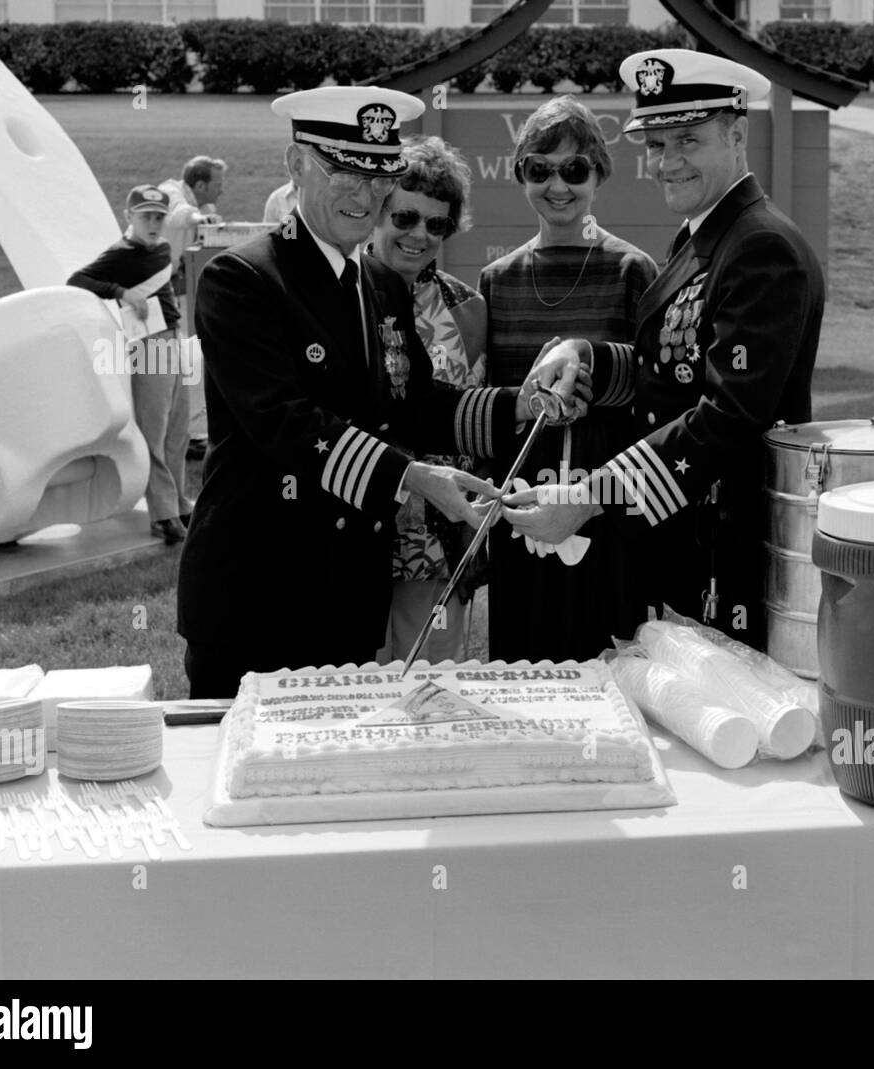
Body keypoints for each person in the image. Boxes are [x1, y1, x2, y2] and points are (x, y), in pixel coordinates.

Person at [176, 87, 534, 698]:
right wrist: (414, 477)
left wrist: (520, 404)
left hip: (348, 595)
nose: (364, 193)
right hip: (259, 595)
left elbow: (416, 404)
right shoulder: (241, 279)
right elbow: (288, 424)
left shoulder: (380, 284)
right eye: (343, 170)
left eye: (378, 175)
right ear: (295, 167)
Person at [504, 49, 824, 651]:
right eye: (655, 144)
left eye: (687, 141)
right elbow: (674, 371)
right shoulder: (708, 233)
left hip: (727, 555)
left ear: (736, 134)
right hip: (686, 538)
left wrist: (586, 497)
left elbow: (728, 416)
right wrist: (586, 354)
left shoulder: (761, 248)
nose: (666, 161)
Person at [480, 95, 659, 662]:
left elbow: (656, 388)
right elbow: (490, 400)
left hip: (603, 505)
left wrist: (595, 380)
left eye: (575, 170)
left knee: (608, 669)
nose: (558, 186)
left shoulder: (633, 270)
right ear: (521, 175)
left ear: (599, 174)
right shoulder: (497, 279)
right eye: (540, 169)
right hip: (522, 504)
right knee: (522, 670)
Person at [366, 135, 488, 663]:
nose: (419, 235)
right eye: (405, 217)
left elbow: (474, 421)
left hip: (434, 548)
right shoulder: (339, 296)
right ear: (378, 213)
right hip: (351, 542)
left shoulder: (469, 309)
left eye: (436, 224)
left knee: (431, 700)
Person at [67, 184, 191, 545]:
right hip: (150, 343)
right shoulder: (120, 254)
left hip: (173, 336)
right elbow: (77, 280)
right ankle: (164, 514)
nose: (153, 224)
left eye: (158, 217)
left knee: (178, 430)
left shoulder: (164, 249)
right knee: (154, 430)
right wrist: (121, 293)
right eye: (146, 217)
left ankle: (180, 502)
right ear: (129, 217)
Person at [160, 156, 226, 462]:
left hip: (177, 282)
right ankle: (171, 432)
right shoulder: (170, 191)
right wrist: (199, 219)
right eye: (217, 184)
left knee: (187, 350)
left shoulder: (207, 208)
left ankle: (190, 432)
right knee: (164, 357)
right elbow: (177, 216)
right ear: (199, 185)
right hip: (150, 286)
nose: (221, 191)